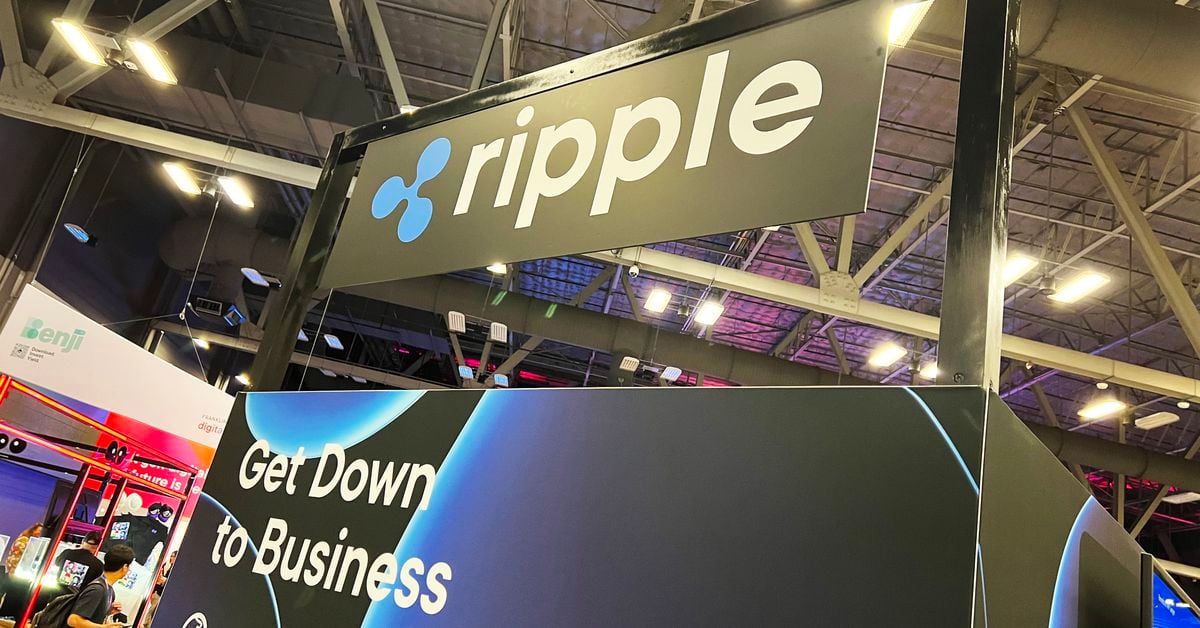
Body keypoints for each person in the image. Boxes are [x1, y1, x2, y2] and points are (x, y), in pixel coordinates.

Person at [65, 543, 134, 628]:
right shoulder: (98, 589)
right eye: (129, 566)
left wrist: (107, 611)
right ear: (124, 567)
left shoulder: (108, 589)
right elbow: (73, 620)